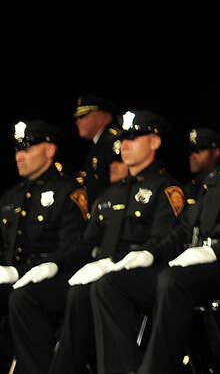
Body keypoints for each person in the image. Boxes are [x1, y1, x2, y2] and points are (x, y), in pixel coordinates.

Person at [90, 86, 220, 373]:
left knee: (173, 280)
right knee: (111, 283)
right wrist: (149, 253)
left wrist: (215, 251)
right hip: (202, 263)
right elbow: (186, 227)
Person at [9, 111, 184, 373]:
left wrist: (114, 263)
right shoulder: (110, 194)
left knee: (91, 289)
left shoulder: (166, 189)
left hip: (138, 276)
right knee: (26, 295)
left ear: (155, 143)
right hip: (98, 275)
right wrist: (53, 265)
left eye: (134, 138)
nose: (125, 145)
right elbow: (84, 243)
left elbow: (164, 242)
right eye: (123, 139)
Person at [1, 121, 89, 364]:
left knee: (23, 297)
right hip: (14, 276)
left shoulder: (68, 191)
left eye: (27, 149)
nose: (19, 156)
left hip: (52, 277)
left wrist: (19, 271)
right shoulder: (11, 197)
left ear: (49, 150)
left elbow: (75, 247)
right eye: (17, 149)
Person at [73, 93, 121, 207]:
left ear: (101, 115)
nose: (77, 122)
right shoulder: (99, 143)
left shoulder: (113, 142)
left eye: (82, 116)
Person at [186, 127, 220, 202]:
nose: (192, 156)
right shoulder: (190, 187)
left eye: (198, 150)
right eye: (191, 151)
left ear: (216, 152)